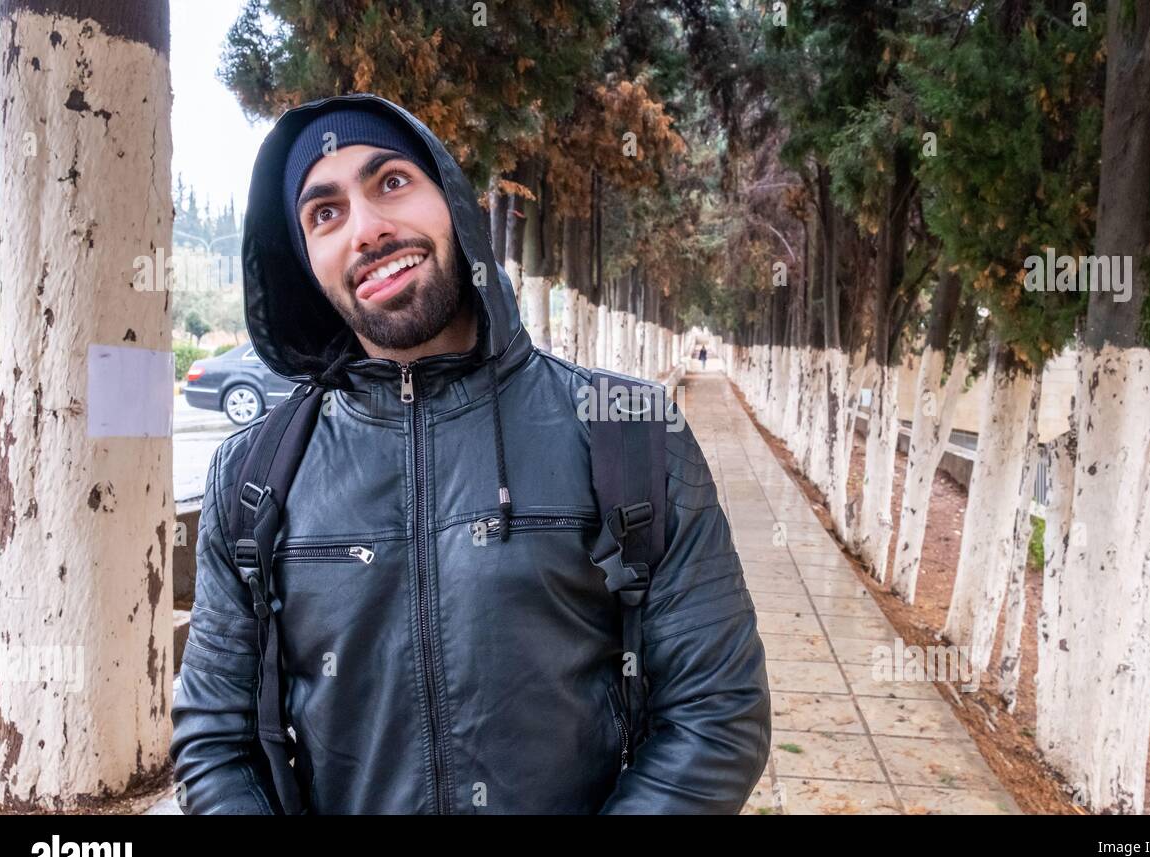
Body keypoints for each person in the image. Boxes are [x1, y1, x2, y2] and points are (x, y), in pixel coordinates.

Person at [169, 94, 772, 814]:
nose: (366, 228)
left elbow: (717, 712)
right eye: (324, 213)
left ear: (451, 199)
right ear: (306, 261)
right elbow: (214, 744)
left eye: (391, 182)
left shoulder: (627, 430)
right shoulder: (254, 477)